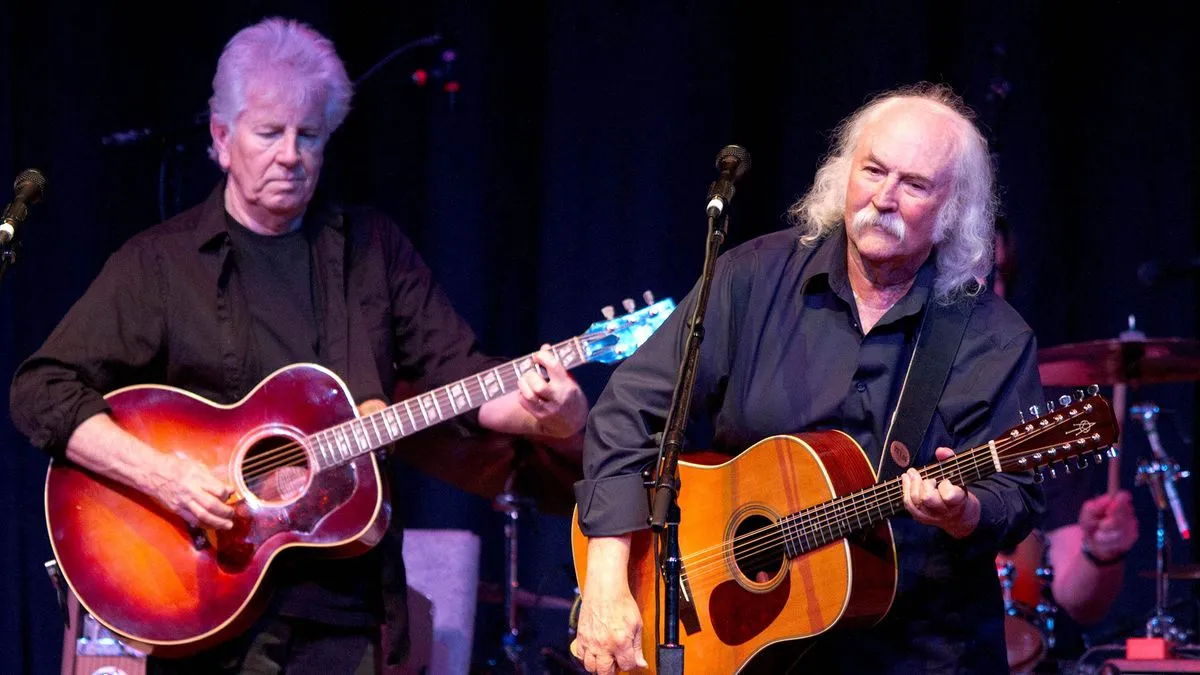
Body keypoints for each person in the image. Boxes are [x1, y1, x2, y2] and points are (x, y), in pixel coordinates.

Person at [9, 17, 587, 675]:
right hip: (209, 602)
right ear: (222, 138)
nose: (292, 153)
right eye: (270, 133)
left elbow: (462, 374)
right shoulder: (160, 265)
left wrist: (551, 416)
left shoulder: (373, 250)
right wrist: (166, 478)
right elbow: (41, 390)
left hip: (348, 613)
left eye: (309, 136)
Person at [571, 82, 1047, 674]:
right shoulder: (752, 277)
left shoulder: (993, 337)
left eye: (915, 185)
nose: (885, 198)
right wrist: (608, 577)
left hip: (919, 651)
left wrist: (963, 513)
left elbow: (1018, 496)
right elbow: (629, 411)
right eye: (873, 171)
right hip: (745, 648)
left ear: (953, 209)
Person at [990, 222, 1139, 671]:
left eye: (992, 271)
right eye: (961, 266)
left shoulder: (1043, 414)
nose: (978, 285)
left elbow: (1079, 601)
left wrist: (1100, 550)